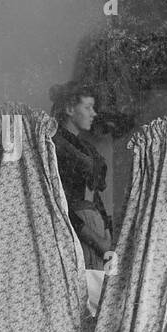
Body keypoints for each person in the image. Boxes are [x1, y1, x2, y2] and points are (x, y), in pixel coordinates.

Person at [51, 84, 113, 270]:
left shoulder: (87, 149)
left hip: (98, 233)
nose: (93, 114)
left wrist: (107, 234)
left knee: (97, 292)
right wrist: (95, 240)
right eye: (87, 107)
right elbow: (59, 203)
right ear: (70, 109)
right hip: (76, 232)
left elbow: (94, 196)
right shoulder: (56, 146)